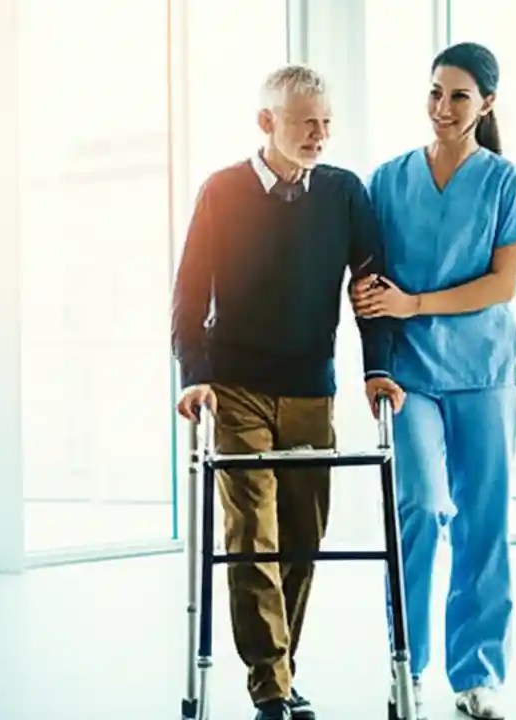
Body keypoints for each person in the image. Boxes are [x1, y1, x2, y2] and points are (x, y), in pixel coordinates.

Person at [172, 64, 406, 720]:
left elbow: (372, 289)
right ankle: (270, 688)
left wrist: (376, 369)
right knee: (254, 537)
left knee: (302, 538)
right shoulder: (220, 191)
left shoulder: (344, 194)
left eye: (327, 123)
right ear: (266, 122)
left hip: (310, 390)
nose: (319, 135)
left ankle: (279, 667)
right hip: (236, 387)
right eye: (307, 122)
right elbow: (189, 295)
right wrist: (194, 375)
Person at [351, 42, 516, 720]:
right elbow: (366, 272)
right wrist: (380, 309)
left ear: (486, 103)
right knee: (420, 511)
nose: (442, 107)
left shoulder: (506, 181)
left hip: (484, 372)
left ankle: (478, 675)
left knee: (483, 523)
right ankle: (408, 666)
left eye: (459, 95)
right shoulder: (388, 179)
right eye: (435, 92)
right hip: (409, 376)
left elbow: (503, 283)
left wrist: (415, 304)